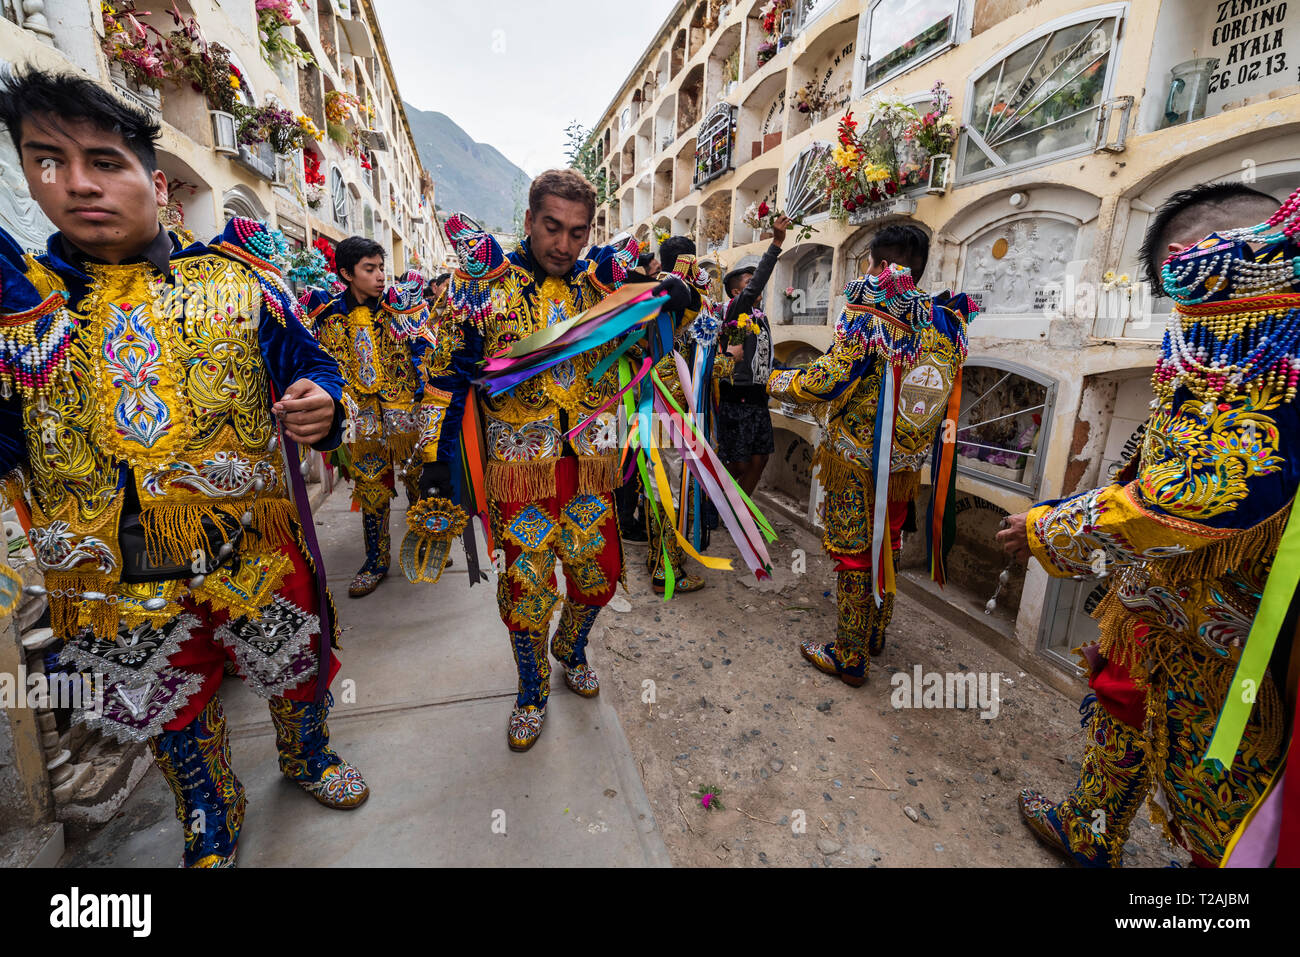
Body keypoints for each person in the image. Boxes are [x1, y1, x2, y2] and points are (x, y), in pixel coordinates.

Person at [0, 68, 367, 868]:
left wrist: (323, 404)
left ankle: (306, 757)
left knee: (294, 660)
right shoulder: (23, 306)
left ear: (154, 182)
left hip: (248, 533)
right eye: (48, 162)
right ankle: (208, 805)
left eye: (105, 161)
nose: (79, 185)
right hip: (107, 557)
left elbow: (316, 369)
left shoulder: (238, 282)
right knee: (165, 700)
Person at [1006, 181, 1289, 867]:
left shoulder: (1266, 342)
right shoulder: (1251, 335)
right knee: (1120, 703)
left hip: (1240, 631)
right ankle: (1090, 826)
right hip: (1159, 604)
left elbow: (1205, 495)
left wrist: (1054, 529)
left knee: (1223, 784)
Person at [416, 169, 689, 750]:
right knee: (527, 585)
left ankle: (570, 645)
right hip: (520, 471)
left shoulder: (603, 288)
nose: (564, 245)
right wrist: (434, 465)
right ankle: (532, 687)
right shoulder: (486, 286)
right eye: (552, 227)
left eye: (577, 232)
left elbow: (651, 352)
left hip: (590, 465)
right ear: (529, 221)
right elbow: (442, 379)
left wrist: (675, 309)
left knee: (601, 575)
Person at [769, 224, 975, 686]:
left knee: (853, 553)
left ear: (882, 266)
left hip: (856, 459)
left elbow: (827, 380)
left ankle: (849, 653)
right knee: (889, 541)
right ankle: (874, 631)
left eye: (868, 260)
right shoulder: (946, 320)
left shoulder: (871, 312)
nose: (865, 269)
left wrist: (776, 379)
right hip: (904, 464)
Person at [308, 239, 434, 597]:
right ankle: (376, 560)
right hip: (361, 419)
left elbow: (428, 354)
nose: (380, 276)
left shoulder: (401, 309)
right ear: (346, 273)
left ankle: (425, 544)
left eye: (381, 268)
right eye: (370, 269)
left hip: (405, 415)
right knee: (371, 489)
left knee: (417, 483)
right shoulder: (327, 316)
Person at [640, 234, 736, 594]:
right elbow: (704, 362)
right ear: (687, 262)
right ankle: (669, 568)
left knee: (656, 484)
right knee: (674, 489)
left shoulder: (653, 298)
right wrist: (730, 364)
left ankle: (659, 558)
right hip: (675, 407)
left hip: (652, 403)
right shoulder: (682, 299)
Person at [717, 216, 790, 497]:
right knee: (738, 463)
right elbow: (756, 283)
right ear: (737, 292)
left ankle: (740, 511)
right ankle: (722, 503)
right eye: (749, 283)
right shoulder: (736, 311)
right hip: (738, 400)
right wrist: (776, 243)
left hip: (759, 399)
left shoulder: (760, 318)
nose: (756, 288)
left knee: (760, 459)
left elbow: (763, 355)